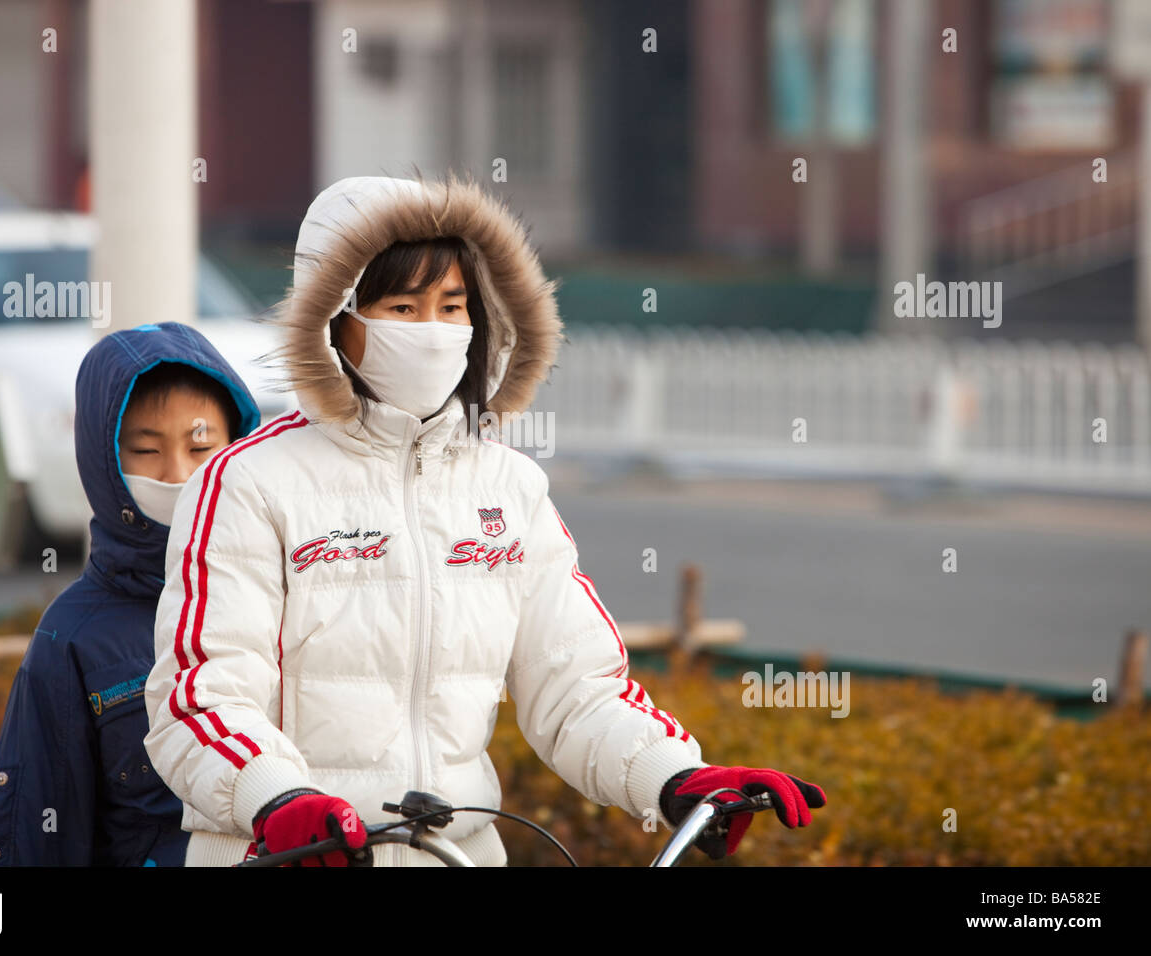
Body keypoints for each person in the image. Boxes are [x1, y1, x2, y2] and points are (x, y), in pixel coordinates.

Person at [144, 174, 825, 867]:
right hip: (293, 854)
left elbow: (576, 686)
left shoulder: (508, 486)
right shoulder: (249, 482)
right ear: (335, 315)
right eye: (403, 307)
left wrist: (678, 778)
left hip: (458, 853)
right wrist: (278, 799)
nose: (433, 333)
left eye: (452, 306)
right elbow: (199, 696)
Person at [0, 322, 261, 866]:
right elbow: (34, 836)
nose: (178, 474)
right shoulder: (73, 638)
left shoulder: (279, 591)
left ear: (238, 446)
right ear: (103, 464)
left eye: (201, 446)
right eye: (146, 450)